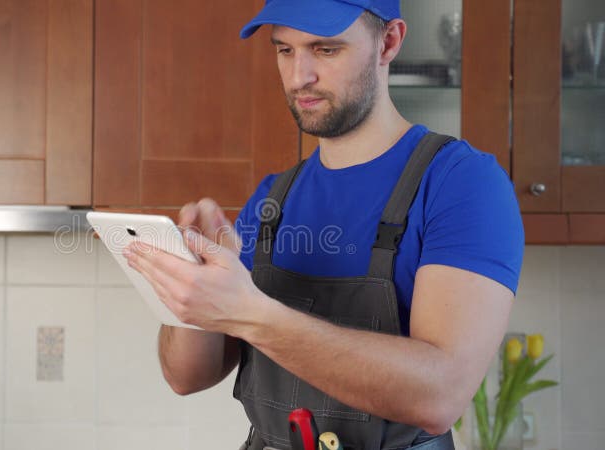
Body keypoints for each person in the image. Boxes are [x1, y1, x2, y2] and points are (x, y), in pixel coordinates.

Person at [122, 0, 524, 449]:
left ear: (388, 42)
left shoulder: (461, 184)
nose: (299, 77)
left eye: (326, 50)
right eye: (285, 50)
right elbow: (186, 377)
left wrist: (249, 313)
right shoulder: (274, 201)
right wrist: (192, 291)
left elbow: (439, 395)